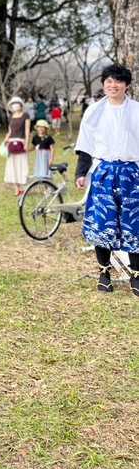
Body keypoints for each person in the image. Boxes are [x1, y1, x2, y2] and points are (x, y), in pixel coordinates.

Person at [75, 63, 139, 296]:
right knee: (103, 224)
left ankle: (136, 275)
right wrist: (81, 173)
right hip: (104, 174)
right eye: (109, 81)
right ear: (103, 84)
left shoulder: (136, 111)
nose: (113, 85)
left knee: (134, 225)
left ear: (126, 85)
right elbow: (85, 145)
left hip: (132, 174)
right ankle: (104, 274)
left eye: (118, 81)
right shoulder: (94, 111)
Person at [3, 97, 30, 195]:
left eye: (17, 103)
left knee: (21, 164)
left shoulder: (25, 115)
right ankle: (16, 188)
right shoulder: (11, 116)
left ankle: (22, 186)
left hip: (21, 142)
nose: (15, 105)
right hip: (11, 143)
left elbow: (27, 131)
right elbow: (10, 131)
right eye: (13, 103)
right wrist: (5, 140)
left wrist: (26, 143)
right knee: (12, 165)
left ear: (21, 105)